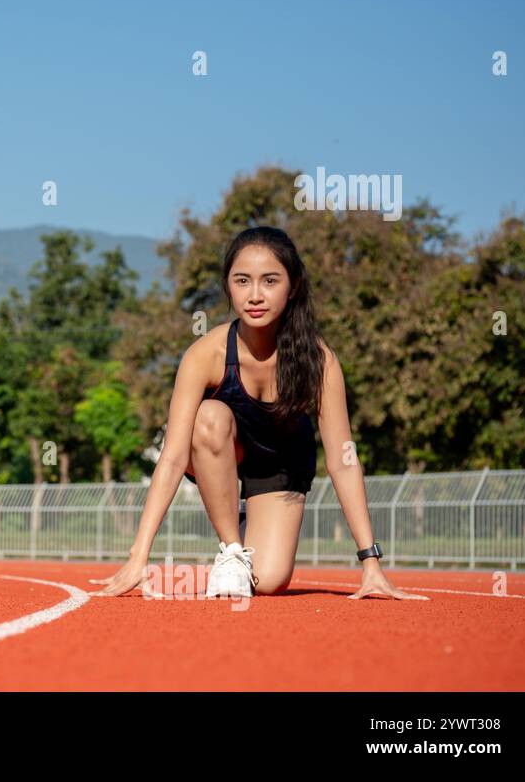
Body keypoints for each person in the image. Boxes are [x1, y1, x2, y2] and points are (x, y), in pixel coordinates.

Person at [90, 226, 428, 600]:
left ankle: (249, 525)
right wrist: (140, 556)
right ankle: (232, 549)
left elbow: (344, 460)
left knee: (267, 582)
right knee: (209, 417)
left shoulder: (320, 361)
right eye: (242, 281)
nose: (254, 295)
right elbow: (171, 457)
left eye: (270, 281)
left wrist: (371, 561)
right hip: (222, 448)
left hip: (281, 466)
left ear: (293, 285)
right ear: (228, 286)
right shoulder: (206, 354)